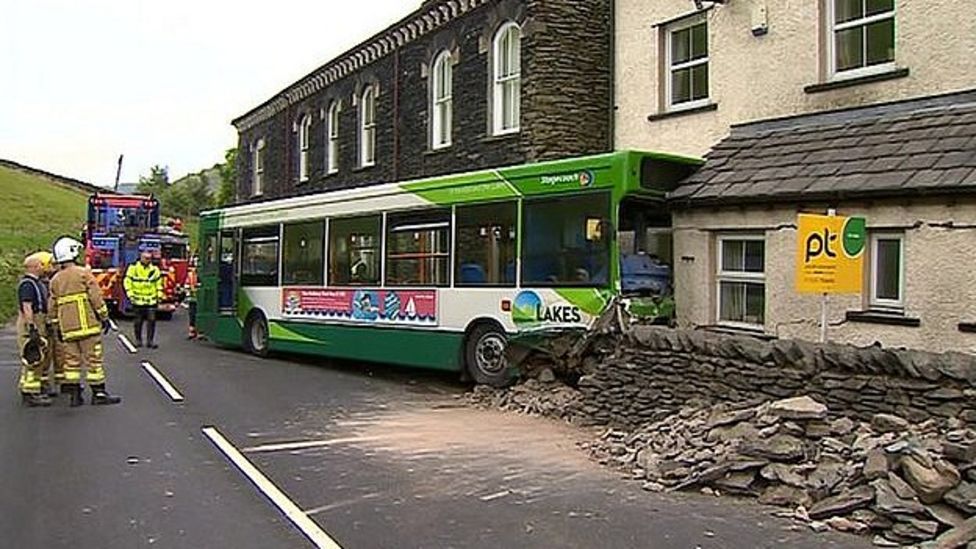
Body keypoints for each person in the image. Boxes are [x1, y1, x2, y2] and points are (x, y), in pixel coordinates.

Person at [49, 237, 121, 406]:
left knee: (71, 363)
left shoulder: (55, 280)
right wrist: (104, 317)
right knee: (93, 361)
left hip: (67, 329)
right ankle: (99, 394)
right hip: (87, 326)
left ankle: (74, 396)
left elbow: (52, 306)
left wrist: (55, 325)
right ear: (73, 252)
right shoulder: (83, 273)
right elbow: (96, 297)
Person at [15, 252, 54, 407]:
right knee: (33, 357)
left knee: (40, 356)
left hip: (39, 320)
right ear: (33, 267)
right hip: (32, 321)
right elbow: (27, 306)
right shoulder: (27, 285)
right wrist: (31, 327)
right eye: (39, 265)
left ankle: (34, 389)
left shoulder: (37, 282)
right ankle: (30, 393)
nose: (42, 267)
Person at [123, 249, 164, 348]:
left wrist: (159, 295)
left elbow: (158, 283)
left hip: (151, 300)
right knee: (138, 321)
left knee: (152, 320)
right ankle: (138, 340)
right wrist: (130, 294)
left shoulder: (154, 270)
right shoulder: (133, 269)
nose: (148, 260)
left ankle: (150, 341)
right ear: (141, 258)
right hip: (137, 300)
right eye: (146, 258)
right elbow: (127, 282)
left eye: (149, 258)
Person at [185, 256, 199, 339]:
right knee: (193, 315)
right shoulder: (191, 275)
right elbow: (187, 285)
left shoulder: (192, 274)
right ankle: (192, 331)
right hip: (193, 298)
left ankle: (198, 331)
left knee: (195, 314)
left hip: (198, 298)